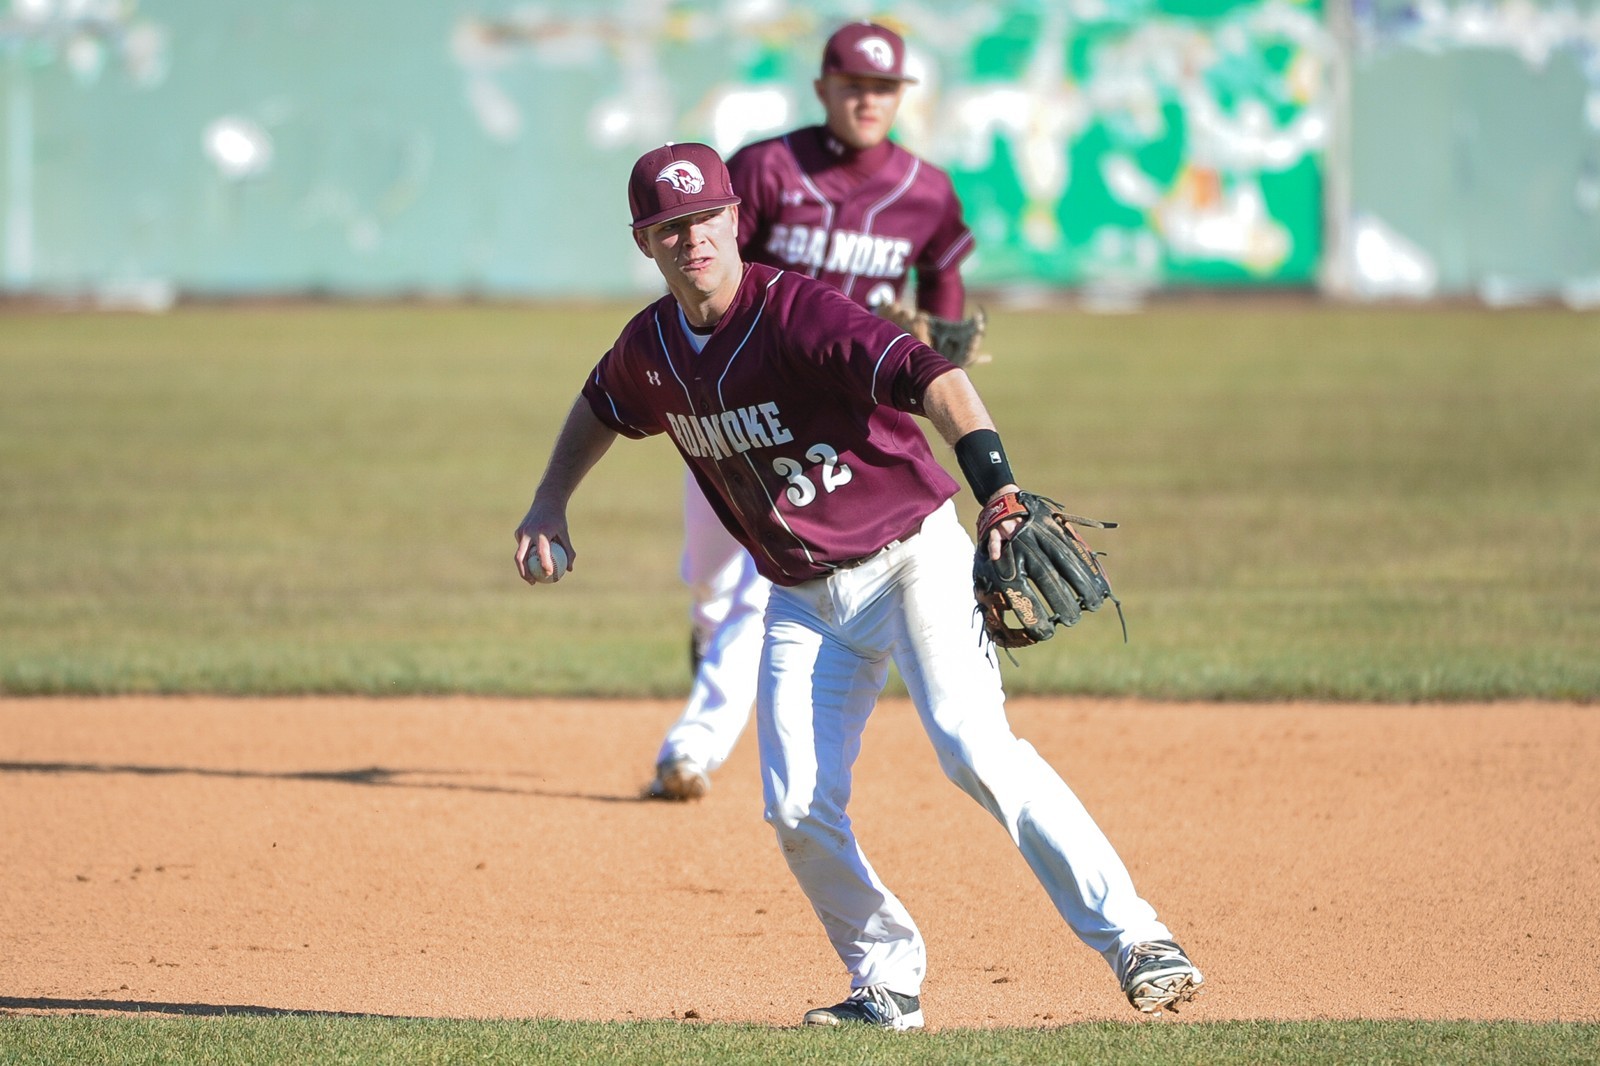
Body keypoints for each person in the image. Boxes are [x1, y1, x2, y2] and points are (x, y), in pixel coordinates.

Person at [512, 140, 1204, 1027]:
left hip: (912, 559)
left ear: (736, 218)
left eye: (707, 219)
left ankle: (1139, 939)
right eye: (671, 227)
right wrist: (550, 500)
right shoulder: (651, 348)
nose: (693, 241)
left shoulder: (797, 313)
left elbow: (935, 376)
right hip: (803, 598)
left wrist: (997, 490)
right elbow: (601, 403)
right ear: (644, 242)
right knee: (796, 806)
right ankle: (886, 979)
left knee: (974, 748)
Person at [649, 20, 981, 801]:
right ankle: (704, 649)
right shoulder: (766, 170)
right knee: (712, 584)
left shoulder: (925, 190)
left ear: (899, 95)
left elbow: (944, 272)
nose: (869, 100)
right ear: (823, 89)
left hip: (843, 430)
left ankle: (693, 747)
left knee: (763, 587)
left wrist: (940, 347)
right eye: (854, 85)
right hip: (734, 409)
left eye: (884, 87)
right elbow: (707, 266)